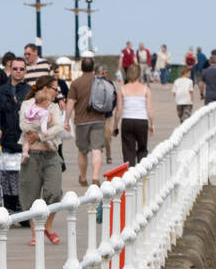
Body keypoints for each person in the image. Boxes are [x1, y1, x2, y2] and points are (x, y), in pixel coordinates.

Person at [18, 77, 65, 244]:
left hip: (51, 154)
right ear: (45, 89)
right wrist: (44, 123)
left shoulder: (54, 107)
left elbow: (59, 126)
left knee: (55, 192)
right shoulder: (27, 104)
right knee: (30, 195)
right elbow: (24, 125)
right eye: (55, 89)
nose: (57, 92)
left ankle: (47, 226)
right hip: (31, 155)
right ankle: (35, 234)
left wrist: (39, 135)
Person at [0, 56, 31, 217]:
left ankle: (23, 206)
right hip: (6, 139)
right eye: (15, 69)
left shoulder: (29, 90)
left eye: (21, 69)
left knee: (23, 176)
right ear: (10, 69)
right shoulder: (1, 91)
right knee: (6, 176)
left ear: (25, 71)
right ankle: (7, 206)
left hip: (24, 140)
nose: (18, 72)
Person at [65, 56, 109, 187]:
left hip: (81, 121)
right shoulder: (101, 81)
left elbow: (70, 103)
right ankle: (95, 177)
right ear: (93, 67)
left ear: (81, 67)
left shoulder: (76, 83)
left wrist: (67, 120)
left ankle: (83, 177)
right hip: (99, 119)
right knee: (97, 150)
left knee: (83, 151)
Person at [114, 64, 154, 168]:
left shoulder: (122, 89)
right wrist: (151, 124)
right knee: (142, 148)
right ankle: (141, 172)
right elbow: (149, 108)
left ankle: (130, 174)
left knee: (128, 150)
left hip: (127, 120)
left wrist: (115, 125)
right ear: (139, 74)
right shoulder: (146, 89)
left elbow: (118, 110)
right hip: (142, 121)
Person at [95, 63, 117, 164]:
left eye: (106, 72)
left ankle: (108, 155)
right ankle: (99, 150)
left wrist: (111, 107)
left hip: (107, 115)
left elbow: (115, 98)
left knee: (107, 136)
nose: (104, 74)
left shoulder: (110, 84)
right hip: (96, 115)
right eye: (102, 73)